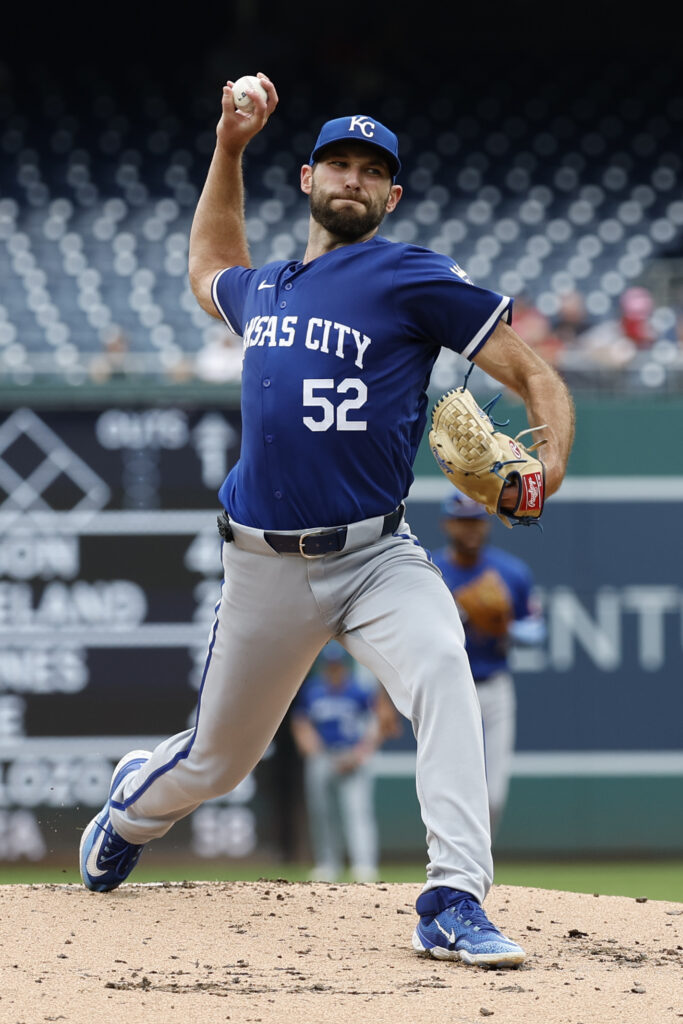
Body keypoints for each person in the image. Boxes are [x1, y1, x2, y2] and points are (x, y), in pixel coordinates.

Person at [79, 73, 575, 968]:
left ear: (392, 195)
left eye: (370, 169)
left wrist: (549, 466)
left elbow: (536, 375)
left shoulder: (411, 275)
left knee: (442, 669)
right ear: (306, 179)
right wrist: (229, 148)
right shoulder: (265, 291)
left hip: (377, 555)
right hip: (264, 566)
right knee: (218, 764)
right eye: (337, 163)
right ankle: (127, 812)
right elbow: (206, 269)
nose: (353, 177)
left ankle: (453, 898)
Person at [432, 492, 546, 839]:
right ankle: (449, 868)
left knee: (492, 795)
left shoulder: (511, 571)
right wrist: (462, 615)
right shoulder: (430, 570)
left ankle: (478, 870)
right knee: (449, 790)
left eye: (476, 522)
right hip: (450, 688)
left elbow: (537, 630)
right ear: (448, 523)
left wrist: (506, 625)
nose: (470, 530)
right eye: (463, 521)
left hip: (495, 686)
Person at [290, 640, 384, 882]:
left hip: (351, 756)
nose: (334, 670)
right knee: (322, 813)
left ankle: (364, 866)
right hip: (323, 756)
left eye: (337, 666)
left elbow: (377, 721)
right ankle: (327, 864)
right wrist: (312, 748)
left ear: (344, 667)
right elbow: (301, 722)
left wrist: (361, 752)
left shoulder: (358, 691)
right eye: (330, 666)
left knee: (357, 812)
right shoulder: (313, 690)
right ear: (324, 667)